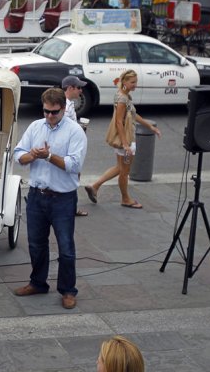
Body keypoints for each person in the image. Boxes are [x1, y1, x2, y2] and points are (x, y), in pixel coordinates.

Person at [12, 88, 87, 309]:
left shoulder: (75, 132)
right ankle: (38, 282)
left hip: (62, 198)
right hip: (36, 195)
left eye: (54, 112)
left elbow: (74, 165)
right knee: (35, 244)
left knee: (65, 246)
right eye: (46, 111)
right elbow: (18, 155)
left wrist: (49, 156)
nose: (49, 116)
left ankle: (68, 290)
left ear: (63, 109)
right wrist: (32, 155)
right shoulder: (36, 126)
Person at [84, 70, 161, 209]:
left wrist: (150, 126)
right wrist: (126, 144)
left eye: (136, 82)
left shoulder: (124, 95)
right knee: (125, 172)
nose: (135, 85)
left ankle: (94, 186)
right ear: (124, 82)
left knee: (120, 168)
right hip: (125, 140)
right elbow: (119, 122)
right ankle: (126, 199)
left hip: (125, 139)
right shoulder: (122, 99)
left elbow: (133, 114)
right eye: (132, 82)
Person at [62, 75, 89, 217]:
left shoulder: (69, 104)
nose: (81, 91)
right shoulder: (65, 107)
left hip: (72, 146)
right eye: (78, 88)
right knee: (73, 177)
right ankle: (71, 208)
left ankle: (72, 207)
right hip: (70, 149)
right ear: (71, 88)